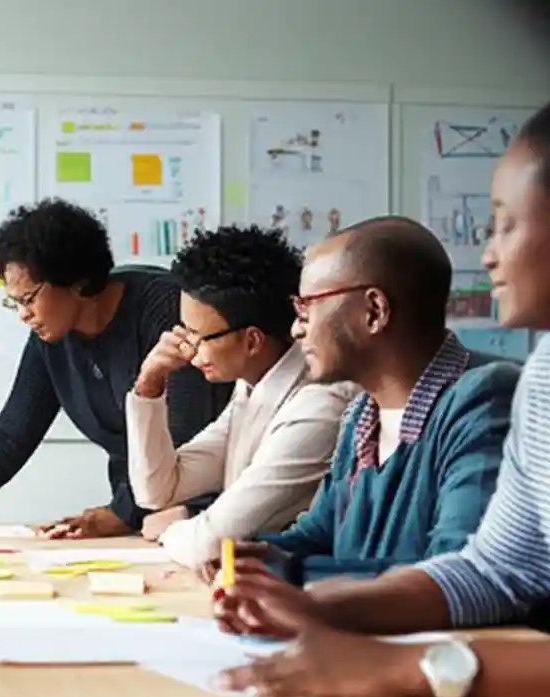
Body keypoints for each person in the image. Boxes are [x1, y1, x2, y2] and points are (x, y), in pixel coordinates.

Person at [210, 101, 550, 697]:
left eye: (506, 224)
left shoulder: (487, 394)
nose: (489, 255)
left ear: (373, 310)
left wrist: (406, 667)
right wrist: (308, 601)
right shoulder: (543, 377)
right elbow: (496, 569)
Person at [0, 199, 232, 537]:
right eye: (13, 303)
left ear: (76, 282)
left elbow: (186, 434)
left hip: (208, 513)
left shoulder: (167, 310)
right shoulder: (52, 337)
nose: (23, 314)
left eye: (28, 299)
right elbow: (12, 435)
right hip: (137, 517)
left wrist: (121, 512)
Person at [200, 217, 518, 587]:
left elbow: (455, 568)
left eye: (307, 308)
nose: (296, 328)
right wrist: (251, 554)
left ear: (374, 311)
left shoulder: (485, 400)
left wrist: (291, 570)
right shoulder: (362, 414)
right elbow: (319, 535)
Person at [126, 226, 356, 567]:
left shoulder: (319, 403)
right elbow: (157, 490)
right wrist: (149, 384)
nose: (187, 350)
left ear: (252, 341)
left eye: (198, 335)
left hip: (302, 593)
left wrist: (174, 528)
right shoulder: (252, 387)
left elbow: (211, 543)